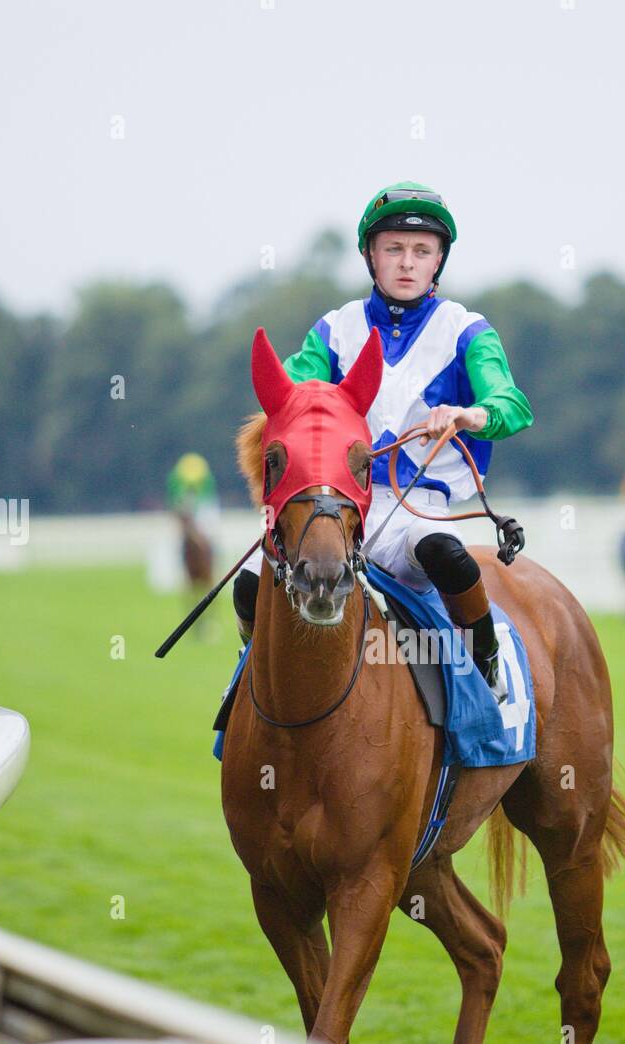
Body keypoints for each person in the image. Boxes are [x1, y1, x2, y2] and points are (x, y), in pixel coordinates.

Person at [232, 181, 533, 697]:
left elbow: (513, 405)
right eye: (393, 248)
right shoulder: (335, 329)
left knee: (444, 551)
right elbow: (287, 396)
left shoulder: (466, 330)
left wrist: (468, 414)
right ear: (371, 255)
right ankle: (246, 676)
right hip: (343, 506)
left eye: (422, 251)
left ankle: (487, 664)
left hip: (421, 509)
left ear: (439, 260)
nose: (407, 262)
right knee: (250, 582)